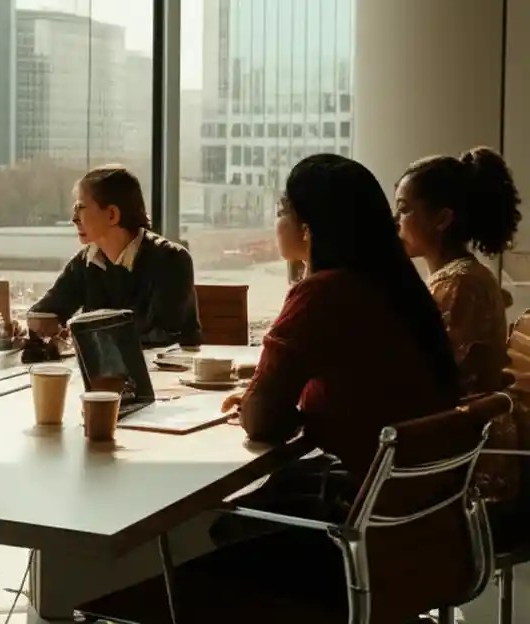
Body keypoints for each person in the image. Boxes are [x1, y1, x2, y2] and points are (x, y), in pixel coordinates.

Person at [202, 155, 460, 607]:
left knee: (205, 530)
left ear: (308, 229)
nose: (277, 220)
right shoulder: (396, 285)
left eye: (283, 209)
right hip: (421, 535)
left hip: (354, 542)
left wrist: (262, 399)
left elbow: (263, 422)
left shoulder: (324, 293)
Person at [396, 146, 523, 505]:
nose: (396, 221)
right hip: (464, 447)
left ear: (442, 218)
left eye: (405, 209)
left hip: (464, 469)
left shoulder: (458, 286)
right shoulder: (464, 277)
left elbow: (429, 382)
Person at [29, 165, 202, 348]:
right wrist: (31, 326)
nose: (74, 218)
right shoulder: (86, 262)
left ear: (112, 215)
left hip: (169, 373)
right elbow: (44, 314)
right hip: (106, 373)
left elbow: (161, 335)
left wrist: (83, 334)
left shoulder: (171, 260)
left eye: (80, 207)